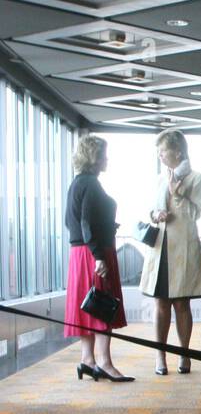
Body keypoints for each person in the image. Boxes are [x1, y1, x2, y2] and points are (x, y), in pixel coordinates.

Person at [64, 133, 132, 382]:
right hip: (94, 253)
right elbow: (85, 222)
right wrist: (98, 255)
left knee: (90, 305)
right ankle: (104, 362)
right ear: (94, 157)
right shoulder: (91, 183)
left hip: (80, 253)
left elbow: (71, 222)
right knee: (102, 305)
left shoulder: (77, 182)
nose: (107, 158)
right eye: (104, 154)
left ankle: (87, 359)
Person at [140, 129, 201, 375]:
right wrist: (155, 214)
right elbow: (150, 208)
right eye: (158, 151)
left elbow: (195, 213)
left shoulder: (198, 179)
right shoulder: (160, 179)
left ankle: (184, 354)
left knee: (181, 304)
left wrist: (177, 193)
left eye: (163, 150)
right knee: (161, 304)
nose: (160, 155)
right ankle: (160, 356)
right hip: (160, 248)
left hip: (183, 248)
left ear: (178, 151)